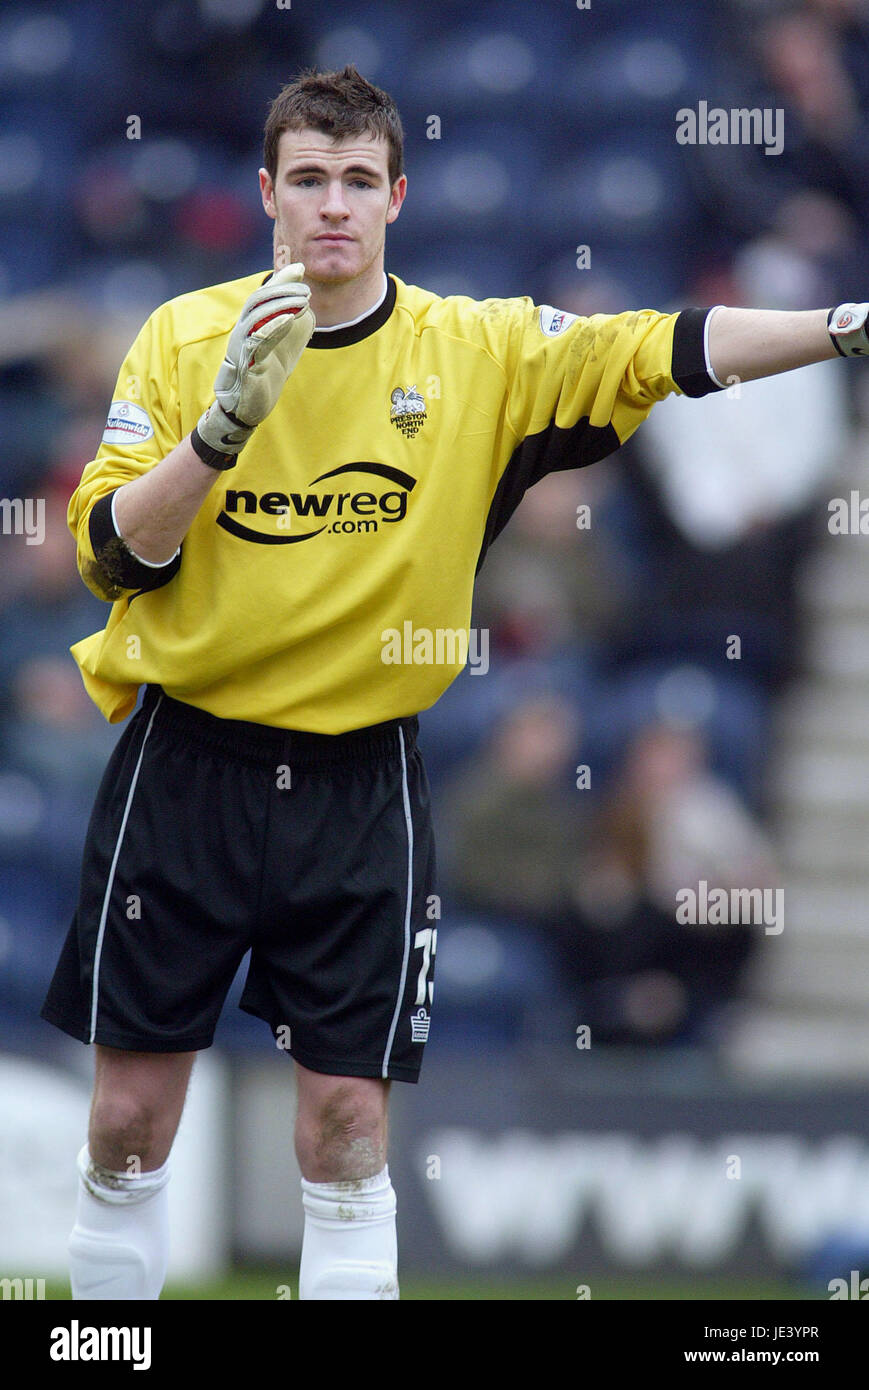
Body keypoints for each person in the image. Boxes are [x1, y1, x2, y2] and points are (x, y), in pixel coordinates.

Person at [39, 63, 869, 1301]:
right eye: (307, 179)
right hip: (187, 760)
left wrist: (844, 325)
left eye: (356, 180)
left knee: (346, 1129)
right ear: (266, 194)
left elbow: (669, 346)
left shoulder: (475, 351)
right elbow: (110, 556)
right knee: (125, 1120)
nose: (331, 204)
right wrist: (219, 434)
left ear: (396, 197)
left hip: (359, 779)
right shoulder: (182, 338)